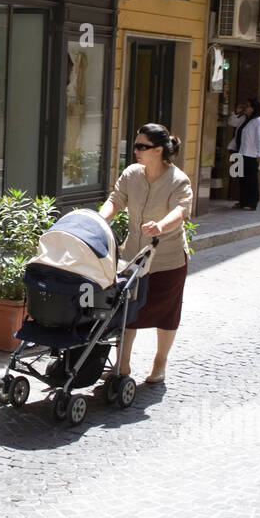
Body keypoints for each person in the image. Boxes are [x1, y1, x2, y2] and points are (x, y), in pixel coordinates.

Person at [99, 123, 193, 385]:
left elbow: (180, 211)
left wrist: (160, 226)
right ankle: (123, 364)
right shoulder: (132, 174)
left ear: (159, 150)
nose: (136, 151)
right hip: (133, 256)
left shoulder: (178, 180)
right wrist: (99, 220)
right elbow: (115, 200)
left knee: (166, 312)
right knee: (126, 309)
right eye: (136, 146)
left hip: (167, 259)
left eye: (143, 147)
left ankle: (160, 362)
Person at [234, 98, 260, 210]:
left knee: (251, 179)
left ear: (253, 108)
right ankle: (243, 201)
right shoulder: (244, 119)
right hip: (240, 153)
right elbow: (231, 122)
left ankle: (252, 203)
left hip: (251, 155)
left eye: (248, 106)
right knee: (241, 178)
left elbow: (259, 138)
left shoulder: (259, 121)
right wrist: (237, 111)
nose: (246, 109)